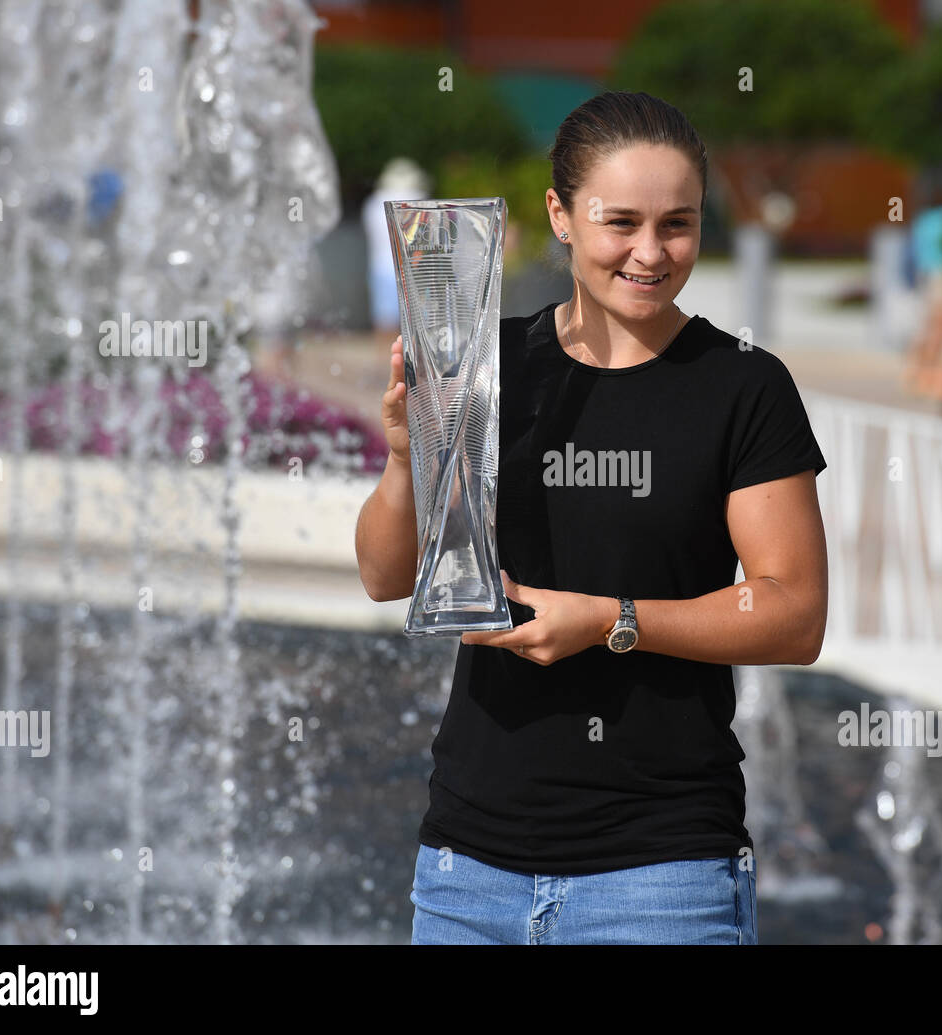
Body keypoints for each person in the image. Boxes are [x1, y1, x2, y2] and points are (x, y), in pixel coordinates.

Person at [354, 91, 829, 944]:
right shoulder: (487, 364)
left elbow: (793, 613)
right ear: (560, 216)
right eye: (622, 223)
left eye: (678, 224)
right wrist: (404, 455)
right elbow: (389, 576)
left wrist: (614, 623)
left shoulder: (744, 388)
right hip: (469, 871)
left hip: (662, 877)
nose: (651, 253)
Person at [361, 157, 429, 370]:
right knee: (419, 325)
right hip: (413, 269)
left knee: (385, 323)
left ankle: (386, 365)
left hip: (381, 268)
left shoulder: (373, 203)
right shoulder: (420, 200)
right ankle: (419, 368)